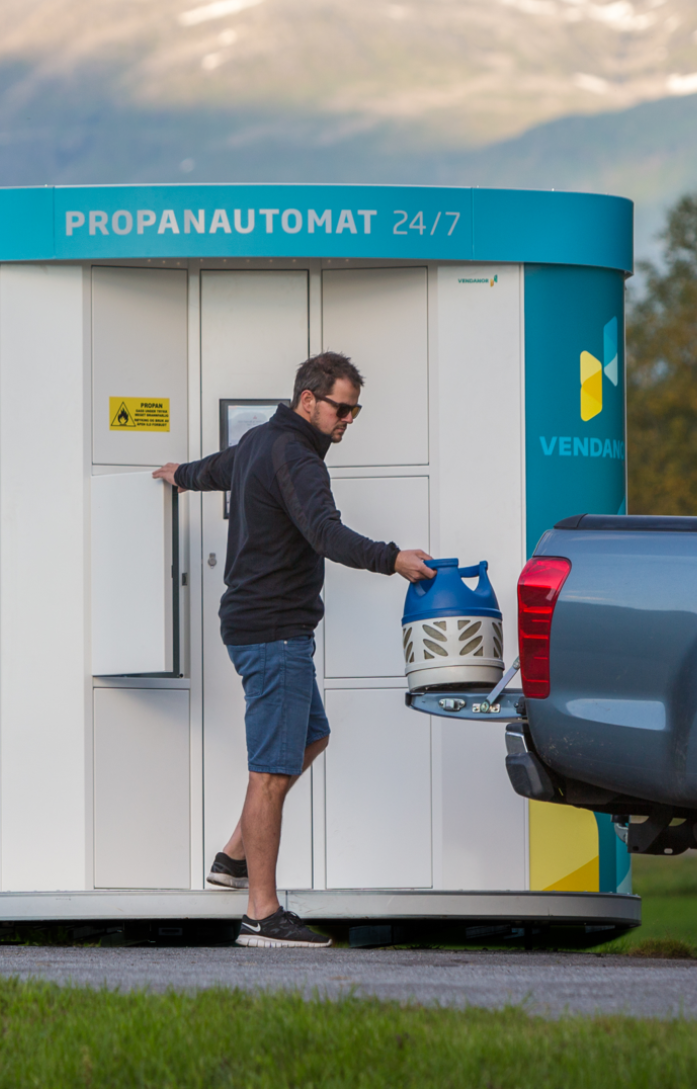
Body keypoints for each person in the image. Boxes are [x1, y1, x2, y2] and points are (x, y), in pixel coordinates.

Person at [154, 351, 434, 949]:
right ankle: (261, 913)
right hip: (273, 631)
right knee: (271, 773)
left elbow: (218, 469)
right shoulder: (298, 458)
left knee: (311, 738)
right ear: (308, 400)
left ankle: (233, 857)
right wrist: (395, 560)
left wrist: (180, 474)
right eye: (342, 407)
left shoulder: (262, 441)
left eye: (355, 409)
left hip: (264, 627)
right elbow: (326, 533)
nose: (348, 419)